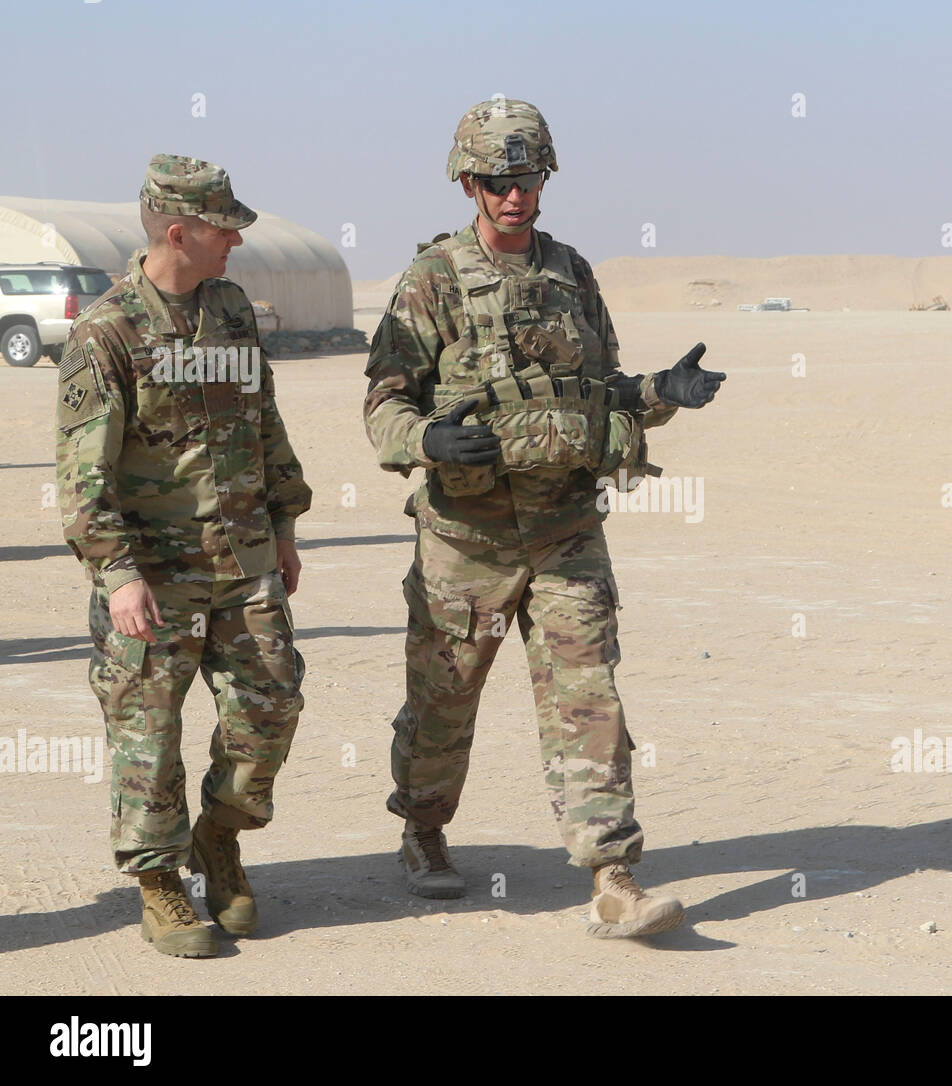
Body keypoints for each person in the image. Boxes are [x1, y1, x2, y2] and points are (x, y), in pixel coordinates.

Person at [363, 98, 725, 938]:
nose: (514, 195)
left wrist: (659, 396)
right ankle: (422, 828)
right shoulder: (432, 282)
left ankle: (612, 873)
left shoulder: (571, 273)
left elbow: (600, 393)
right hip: (466, 542)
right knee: (444, 700)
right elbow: (383, 408)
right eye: (497, 180)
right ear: (468, 182)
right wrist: (428, 440)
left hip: (566, 531)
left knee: (588, 693)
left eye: (527, 178)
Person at [55, 154, 311, 958]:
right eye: (222, 227)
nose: (235, 240)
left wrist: (286, 525)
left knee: (270, 711)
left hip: (244, 562)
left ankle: (220, 836)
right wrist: (118, 573)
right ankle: (159, 879)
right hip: (153, 580)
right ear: (179, 231)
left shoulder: (231, 312)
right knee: (148, 733)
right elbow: (82, 473)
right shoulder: (109, 333)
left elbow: (263, 422)